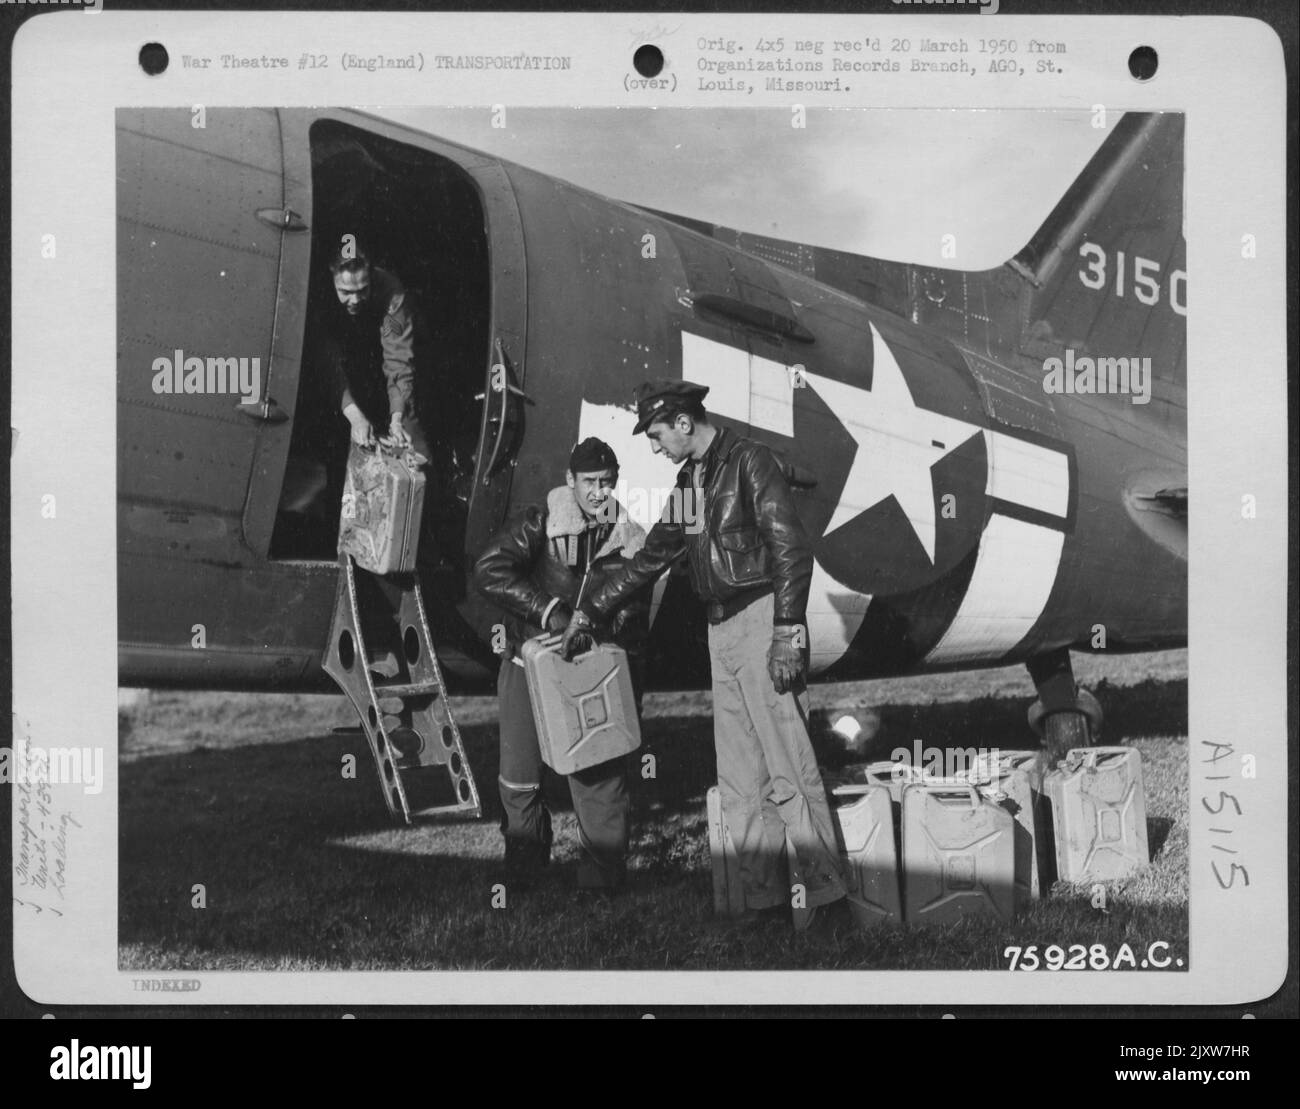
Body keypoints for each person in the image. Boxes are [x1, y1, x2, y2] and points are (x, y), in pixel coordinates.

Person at [563, 381, 849, 933]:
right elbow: (651, 558)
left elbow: (791, 549)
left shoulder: (749, 463)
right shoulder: (692, 482)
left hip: (763, 619)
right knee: (743, 780)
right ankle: (764, 906)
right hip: (720, 633)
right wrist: (589, 612)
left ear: (684, 422)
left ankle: (829, 900)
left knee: (790, 766)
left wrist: (787, 632)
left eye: (656, 434)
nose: (654, 446)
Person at [472, 437, 649, 892]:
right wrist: (550, 611)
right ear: (570, 480)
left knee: (599, 780)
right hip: (526, 665)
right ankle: (526, 872)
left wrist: (606, 624)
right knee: (518, 778)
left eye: (607, 483)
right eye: (589, 481)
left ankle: (602, 883)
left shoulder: (629, 538)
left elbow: (635, 614)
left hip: (588, 671)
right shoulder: (540, 521)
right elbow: (490, 569)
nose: (598, 492)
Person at [319, 242, 431, 463]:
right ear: (332, 280)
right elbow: (327, 361)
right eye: (345, 292)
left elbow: (399, 360)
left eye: (363, 290)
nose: (355, 300)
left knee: (410, 434)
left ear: (372, 276)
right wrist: (354, 415)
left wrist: (397, 419)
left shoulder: (391, 292)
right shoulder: (320, 292)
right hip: (345, 359)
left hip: (384, 358)